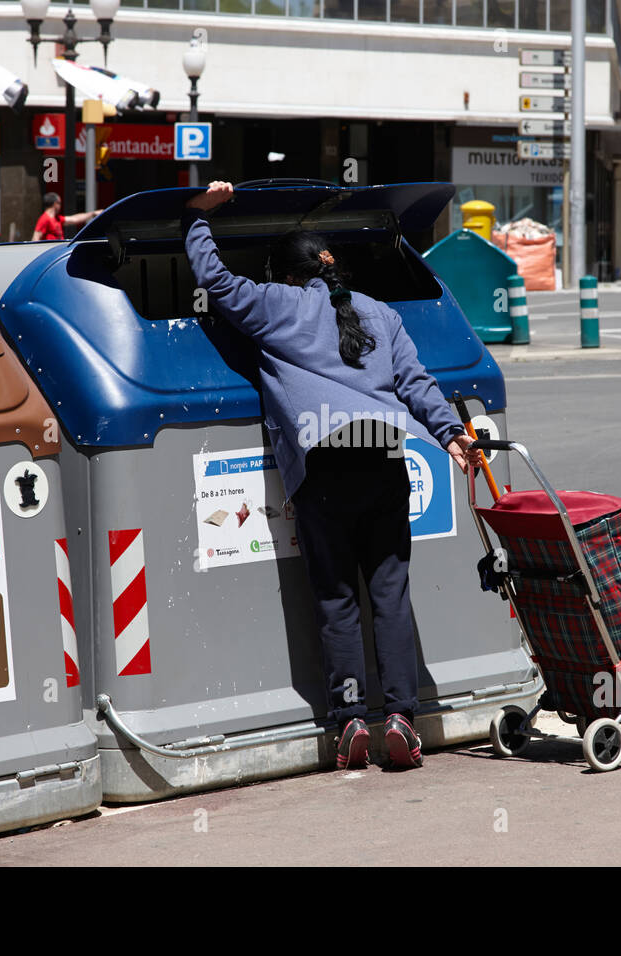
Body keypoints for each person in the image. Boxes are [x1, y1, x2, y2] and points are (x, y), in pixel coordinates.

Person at [181, 180, 483, 772]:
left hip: (324, 466)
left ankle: (348, 722)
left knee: (337, 598)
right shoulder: (380, 312)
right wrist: (452, 434)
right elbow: (417, 384)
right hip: (384, 459)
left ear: (287, 275)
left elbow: (214, 283)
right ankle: (400, 716)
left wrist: (196, 217)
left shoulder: (277, 305)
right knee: (390, 594)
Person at [32, 192, 103, 241]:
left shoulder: (57, 218)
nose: (60, 206)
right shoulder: (44, 219)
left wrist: (92, 213)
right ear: (55, 204)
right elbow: (35, 238)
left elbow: (74, 219)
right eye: (59, 203)